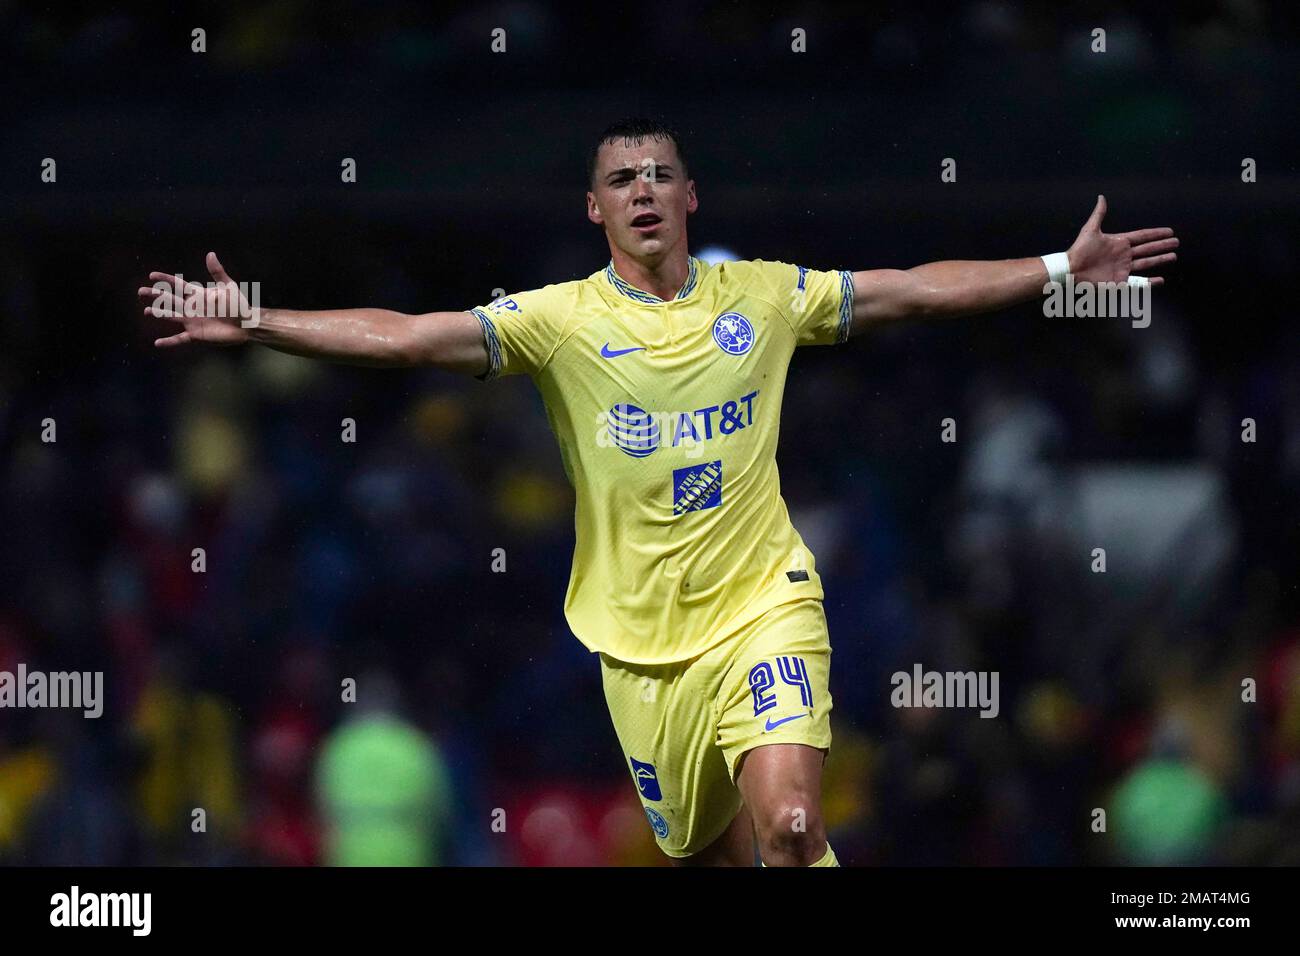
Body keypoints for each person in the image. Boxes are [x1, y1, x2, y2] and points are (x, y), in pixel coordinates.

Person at [138, 117, 1178, 866]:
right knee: (720, 849)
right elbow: (408, 338)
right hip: (638, 648)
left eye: (660, 173)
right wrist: (261, 319)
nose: (642, 188)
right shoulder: (556, 320)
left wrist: (1054, 265)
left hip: (764, 605)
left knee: (787, 824)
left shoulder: (764, 295)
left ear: (689, 198)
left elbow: (910, 288)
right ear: (595, 208)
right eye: (622, 176)